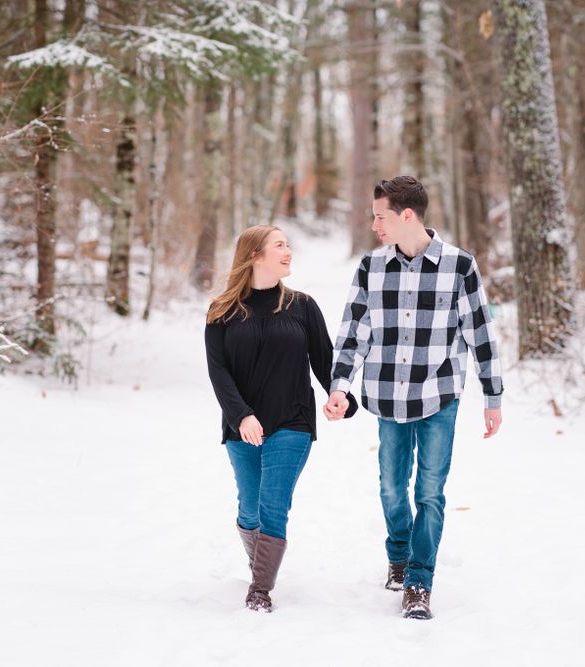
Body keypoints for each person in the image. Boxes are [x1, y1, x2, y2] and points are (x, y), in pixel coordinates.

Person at [324, 176, 504, 620]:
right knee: (390, 488)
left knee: (430, 492)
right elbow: (353, 331)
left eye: (380, 216)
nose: (374, 225)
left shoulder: (459, 266)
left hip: (439, 396)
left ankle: (419, 581)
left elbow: (479, 333)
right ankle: (399, 556)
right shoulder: (372, 267)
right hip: (386, 397)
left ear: (407, 215)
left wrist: (492, 395)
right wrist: (339, 386)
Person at [205, 224, 357, 613]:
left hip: (293, 420)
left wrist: (339, 395)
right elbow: (218, 373)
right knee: (250, 507)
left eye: (288, 244)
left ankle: (260, 589)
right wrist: (242, 416)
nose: (289, 251)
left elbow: (326, 361)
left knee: (274, 503)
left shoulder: (302, 306)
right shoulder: (222, 310)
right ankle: (263, 566)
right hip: (243, 426)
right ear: (255, 255)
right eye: (280, 246)